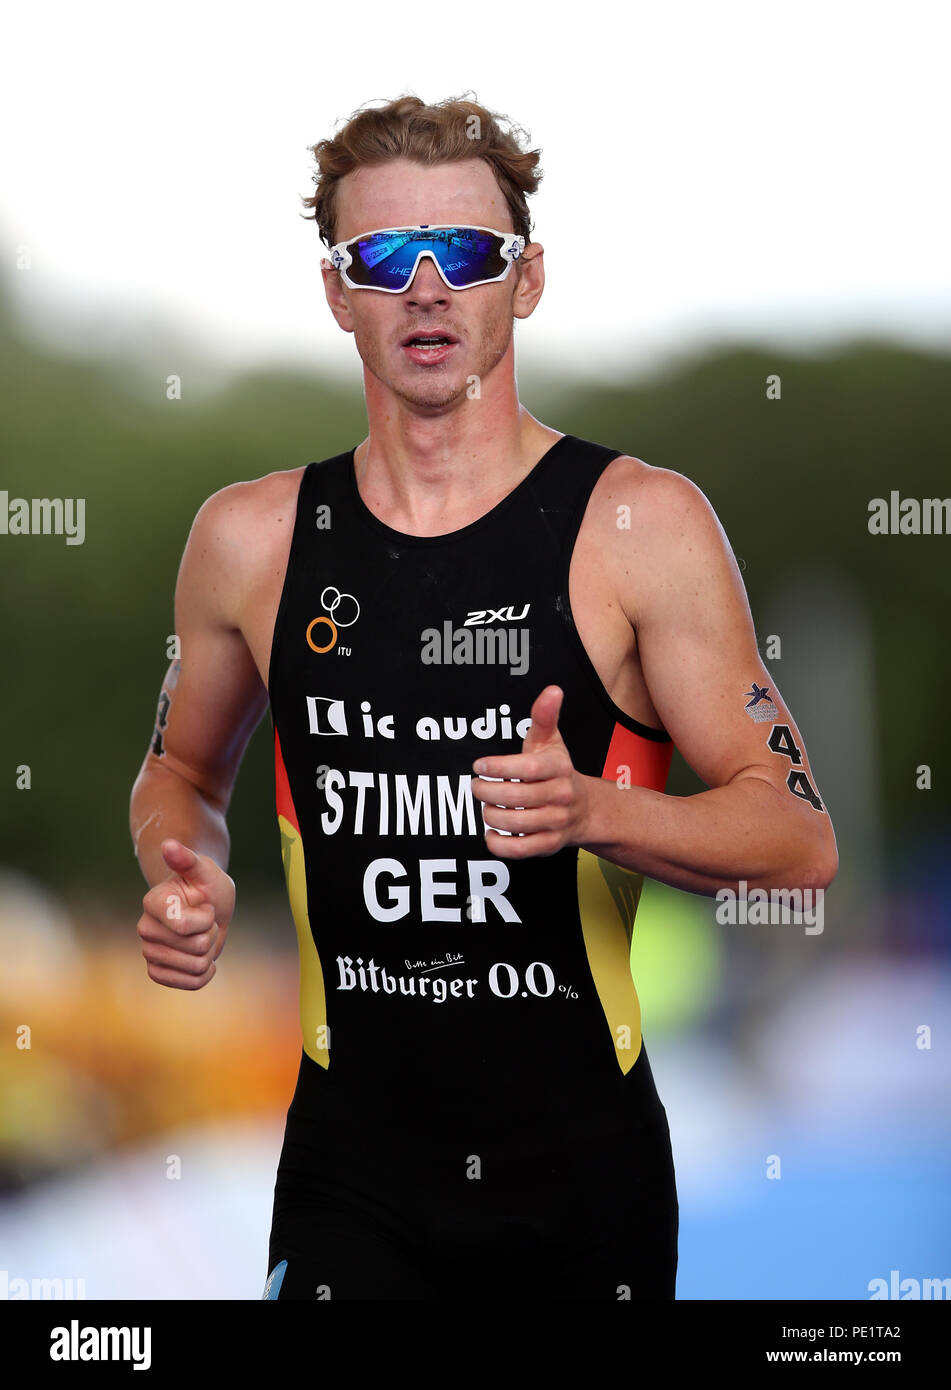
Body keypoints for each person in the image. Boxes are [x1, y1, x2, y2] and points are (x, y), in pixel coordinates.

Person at [129, 94, 838, 1301]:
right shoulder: (248, 538)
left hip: (581, 1181)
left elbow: (798, 838)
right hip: (351, 1178)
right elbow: (182, 775)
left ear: (527, 279)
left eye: (462, 251)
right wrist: (180, 869)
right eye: (382, 258)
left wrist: (598, 814)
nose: (424, 285)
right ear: (336, 292)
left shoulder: (640, 525)